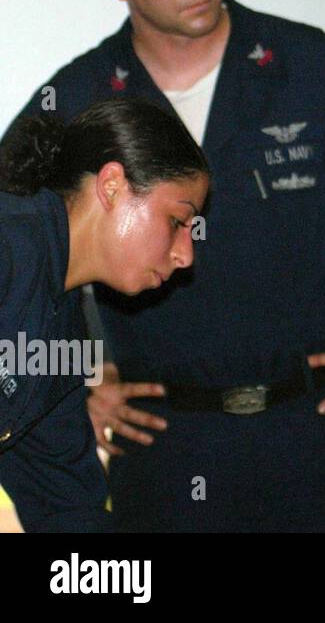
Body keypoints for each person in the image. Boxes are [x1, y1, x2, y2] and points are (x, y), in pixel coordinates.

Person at [2, 0, 325, 532]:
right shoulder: (75, 100)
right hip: (164, 444)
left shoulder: (316, 68)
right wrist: (72, 380)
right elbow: (23, 245)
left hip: (318, 430)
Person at [0, 99, 208, 532]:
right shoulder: (10, 245)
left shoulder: (63, 330)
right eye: (177, 220)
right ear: (112, 184)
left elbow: (68, 507)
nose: (185, 255)